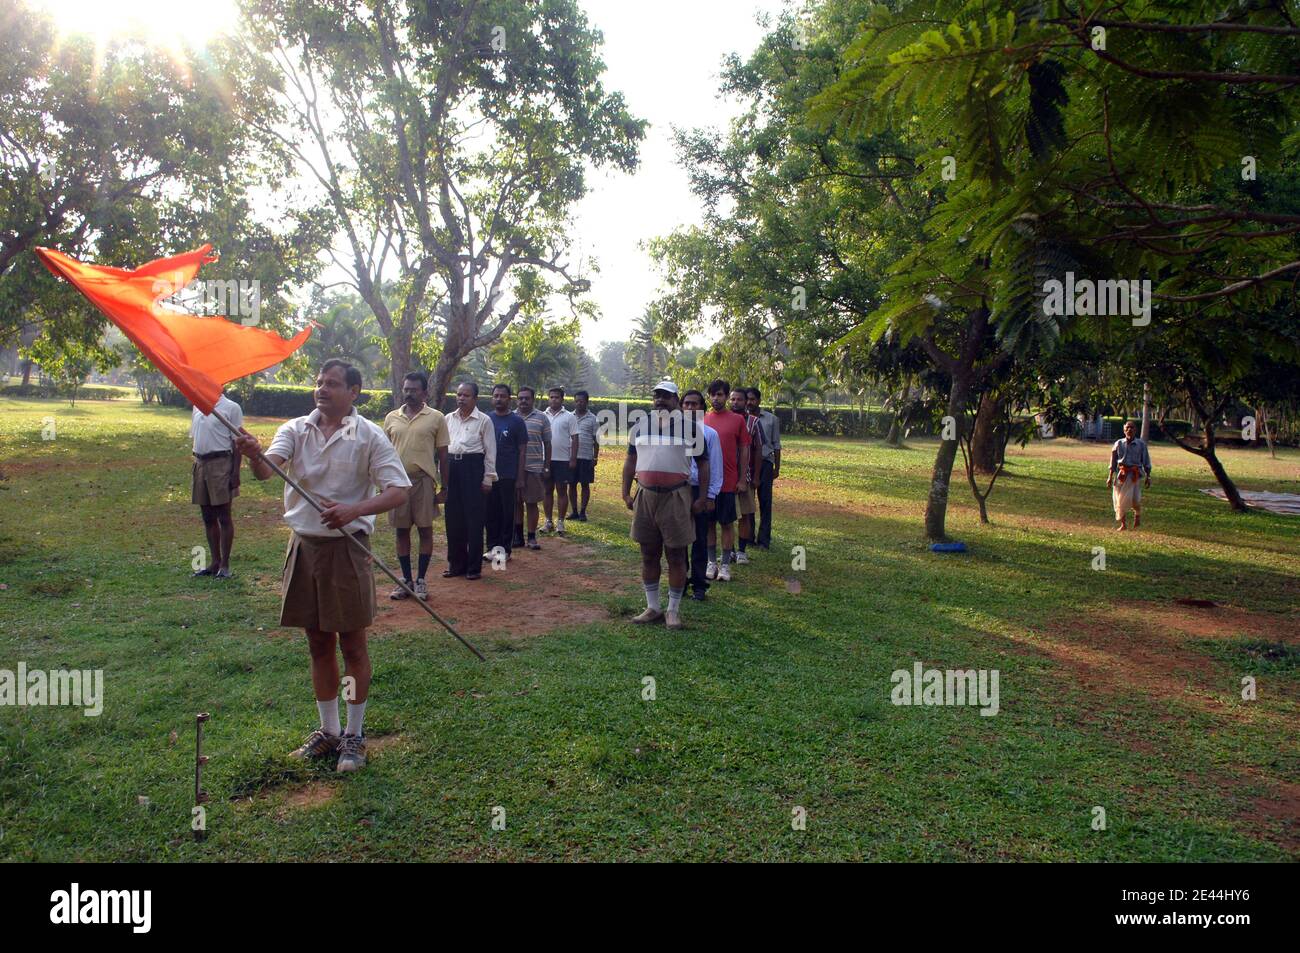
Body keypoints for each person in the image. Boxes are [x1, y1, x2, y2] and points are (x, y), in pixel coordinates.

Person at [234, 359, 410, 773]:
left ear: (354, 392)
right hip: (304, 547)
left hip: (347, 549)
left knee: (352, 645)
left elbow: (399, 490)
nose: (322, 389)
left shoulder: (369, 435)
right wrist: (253, 456)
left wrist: (354, 511)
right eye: (319, 382)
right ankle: (328, 731)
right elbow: (266, 471)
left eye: (332, 384)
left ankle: (354, 735)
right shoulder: (295, 429)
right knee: (317, 641)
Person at [621, 380, 708, 630]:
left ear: (676, 401)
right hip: (646, 496)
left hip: (676, 497)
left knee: (676, 555)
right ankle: (652, 607)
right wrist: (626, 493)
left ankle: (672, 610)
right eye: (656, 396)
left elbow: (703, 464)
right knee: (648, 553)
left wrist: (702, 497)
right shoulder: (639, 426)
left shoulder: (691, 428)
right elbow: (630, 460)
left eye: (666, 396)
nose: (660, 400)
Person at [382, 372, 449, 601]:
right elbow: (384, 453)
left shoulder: (436, 417)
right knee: (401, 531)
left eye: (414, 390)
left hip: (423, 482)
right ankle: (405, 580)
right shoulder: (392, 417)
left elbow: (443, 454)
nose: (409, 393)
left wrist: (445, 487)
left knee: (425, 530)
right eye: (406, 389)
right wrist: (383, 482)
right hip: (397, 483)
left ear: (424, 392)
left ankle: (421, 580)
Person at [444, 381, 497, 580]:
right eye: (459, 394)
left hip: (473, 468)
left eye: (466, 395)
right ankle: (456, 564)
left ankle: (473, 568)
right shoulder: (448, 419)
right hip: (452, 468)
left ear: (475, 398)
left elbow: (490, 452)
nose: (461, 398)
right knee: (453, 518)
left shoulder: (484, 421)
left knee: (474, 520)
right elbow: (441, 448)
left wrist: (488, 479)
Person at [190, 391, 243, 579]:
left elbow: (237, 443)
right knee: (207, 516)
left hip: (221, 463)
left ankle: (225, 566)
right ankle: (214, 562)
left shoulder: (230, 408)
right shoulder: (197, 405)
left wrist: (235, 472)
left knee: (223, 516)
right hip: (200, 463)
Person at [703, 378, 750, 582]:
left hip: (729, 482)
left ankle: (724, 566)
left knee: (727, 524)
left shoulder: (737, 420)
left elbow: (744, 451)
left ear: (726, 396)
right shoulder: (702, 419)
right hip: (707, 482)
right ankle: (711, 562)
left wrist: (742, 479)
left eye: (720, 394)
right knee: (709, 524)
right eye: (713, 394)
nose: (716, 398)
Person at [682, 389, 721, 601]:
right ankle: (680, 581)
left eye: (695, 404)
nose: (690, 408)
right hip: (679, 490)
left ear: (702, 408)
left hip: (700, 490)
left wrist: (710, 496)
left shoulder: (710, 434)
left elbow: (715, 466)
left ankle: (698, 585)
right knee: (678, 539)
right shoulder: (674, 432)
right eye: (686, 404)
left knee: (699, 539)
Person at [485, 383, 528, 561]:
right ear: (492, 398)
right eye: (496, 396)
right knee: (490, 512)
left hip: (508, 475)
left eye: (502, 396)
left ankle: (504, 550)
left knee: (506, 513)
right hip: (489, 474)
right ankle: (491, 548)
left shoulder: (517, 421)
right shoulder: (486, 419)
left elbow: (522, 450)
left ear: (509, 399)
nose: (499, 399)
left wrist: (520, 477)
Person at [514, 386, 552, 550]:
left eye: (526, 398)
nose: (523, 401)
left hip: (534, 467)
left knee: (531, 503)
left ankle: (531, 537)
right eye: (520, 398)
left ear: (533, 399)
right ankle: (517, 537)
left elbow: (548, 443)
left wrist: (547, 466)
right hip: (513, 469)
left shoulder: (542, 418)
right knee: (516, 503)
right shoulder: (511, 417)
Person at [732, 387, 763, 564]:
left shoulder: (753, 422)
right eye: (733, 399)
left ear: (745, 402)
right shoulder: (723, 418)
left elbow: (758, 449)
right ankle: (731, 551)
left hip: (746, 476)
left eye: (739, 400)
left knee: (745, 515)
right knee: (728, 517)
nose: (735, 402)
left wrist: (757, 476)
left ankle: (742, 551)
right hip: (726, 477)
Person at [747, 387, 780, 550]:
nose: (749, 402)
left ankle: (764, 540)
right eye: (747, 399)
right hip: (747, 465)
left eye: (752, 399)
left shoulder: (771, 419)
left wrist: (777, 467)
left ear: (759, 401)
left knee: (765, 502)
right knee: (748, 503)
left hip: (766, 463)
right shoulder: (741, 419)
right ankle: (748, 537)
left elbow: (776, 445)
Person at [543, 387, 578, 536]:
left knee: (562, 490)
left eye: (557, 397)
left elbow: (575, 438)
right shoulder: (542, 416)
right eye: (551, 397)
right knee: (547, 490)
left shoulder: (569, 417)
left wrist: (573, 458)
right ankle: (548, 521)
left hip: (563, 460)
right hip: (545, 460)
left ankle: (561, 522)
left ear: (562, 399)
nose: (554, 400)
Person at [1108, 420, 1152, 531]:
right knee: (1120, 500)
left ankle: (1137, 515)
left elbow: (1146, 462)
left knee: (1134, 500)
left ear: (1135, 430)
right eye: (1127, 427)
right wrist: (1110, 477)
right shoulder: (1118, 443)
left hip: (1134, 476)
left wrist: (1148, 476)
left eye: (1132, 427)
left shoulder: (1141, 445)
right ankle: (1123, 524)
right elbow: (1113, 462)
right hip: (1121, 475)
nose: (1129, 430)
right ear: (1124, 430)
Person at [570, 389, 600, 521]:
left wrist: (595, 457)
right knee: (571, 484)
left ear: (587, 402)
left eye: (581, 401)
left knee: (585, 485)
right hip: (571, 457)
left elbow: (596, 440)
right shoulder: (569, 417)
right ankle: (574, 511)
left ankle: (583, 511)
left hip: (586, 457)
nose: (579, 403)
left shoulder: (593, 419)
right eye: (576, 401)